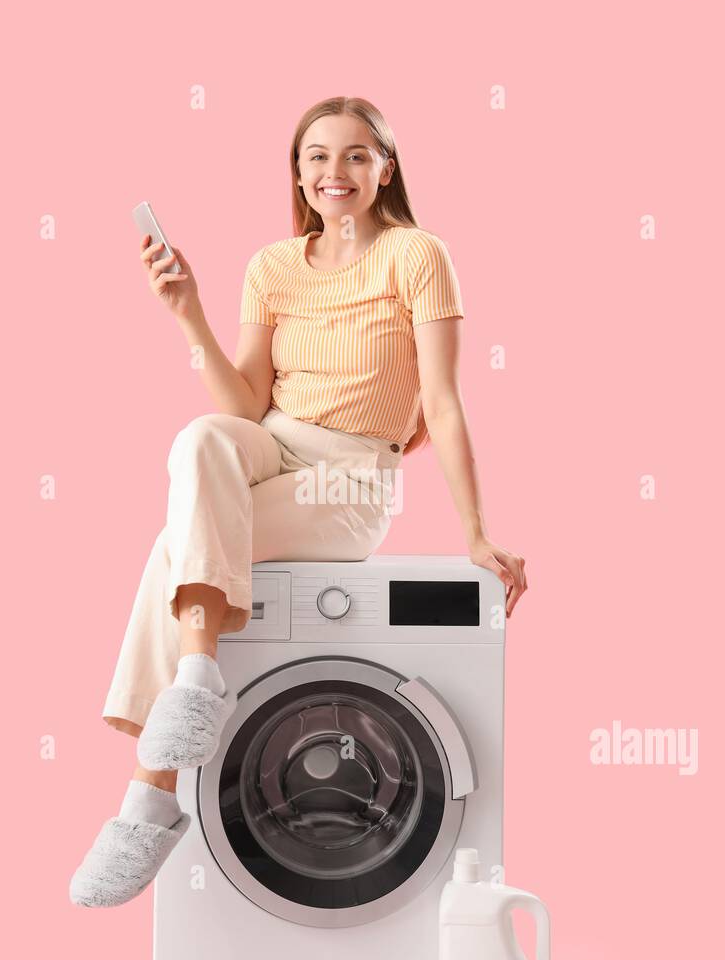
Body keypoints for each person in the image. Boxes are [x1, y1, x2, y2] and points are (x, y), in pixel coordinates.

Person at [69, 95, 528, 908]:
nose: (334, 173)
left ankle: (149, 793)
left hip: (350, 474)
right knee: (201, 438)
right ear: (299, 173)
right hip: (269, 444)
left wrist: (477, 533)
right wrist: (187, 315)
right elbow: (243, 408)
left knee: (177, 545)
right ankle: (201, 672)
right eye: (316, 157)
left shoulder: (418, 256)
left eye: (355, 156)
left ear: (386, 168)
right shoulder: (272, 266)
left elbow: (445, 403)